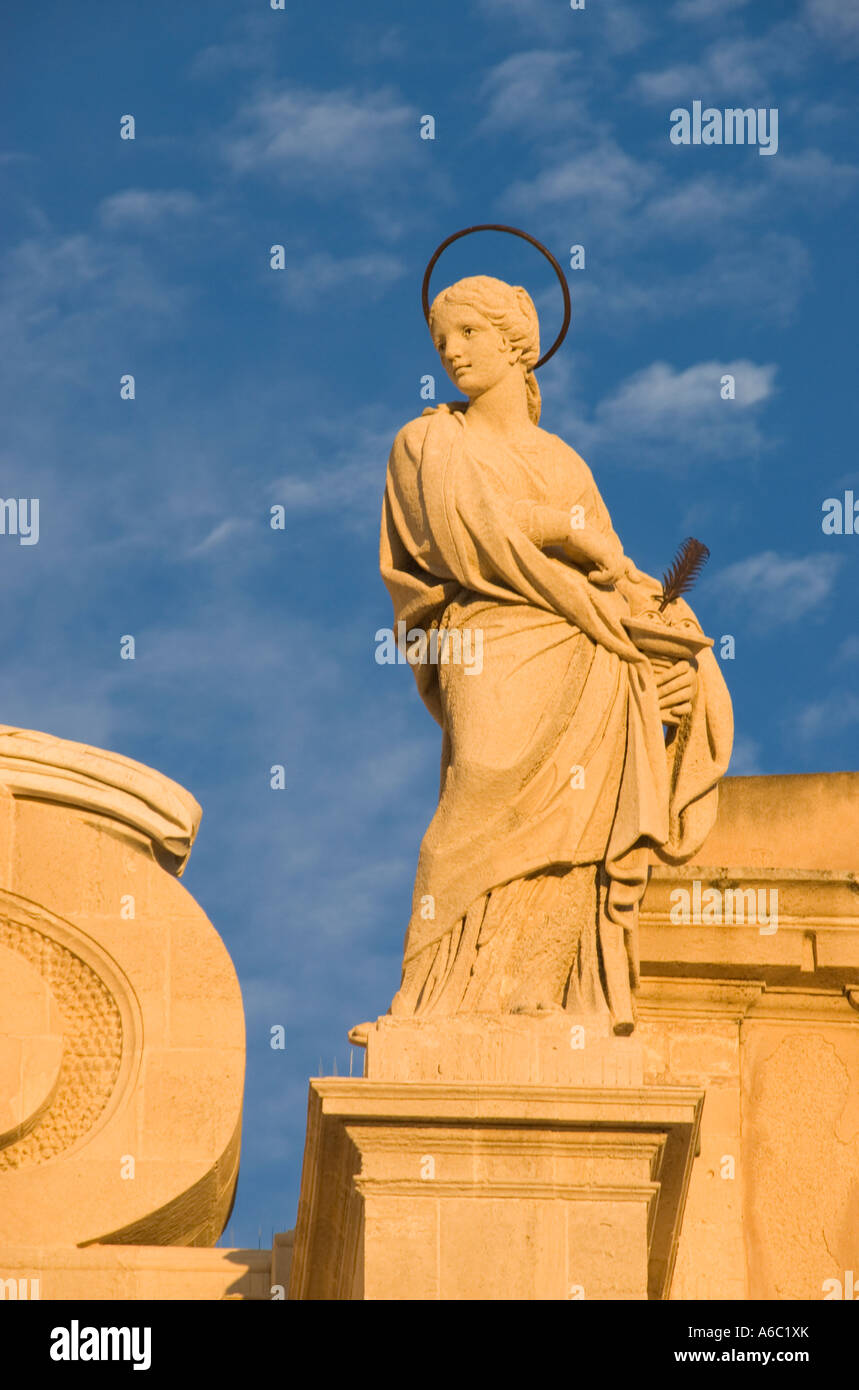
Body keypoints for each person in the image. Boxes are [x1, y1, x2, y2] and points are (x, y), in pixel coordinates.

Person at [380, 276, 733, 1034]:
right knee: (479, 785)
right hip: (492, 635)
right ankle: (439, 991)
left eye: (468, 332)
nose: (450, 350)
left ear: (516, 343)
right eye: (442, 338)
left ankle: (537, 986)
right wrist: (564, 531)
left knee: (575, 824)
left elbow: (615, 571)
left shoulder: (564, 458)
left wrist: (663, 632)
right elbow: (452, 528)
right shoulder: (427, 440)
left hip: (588, 651)